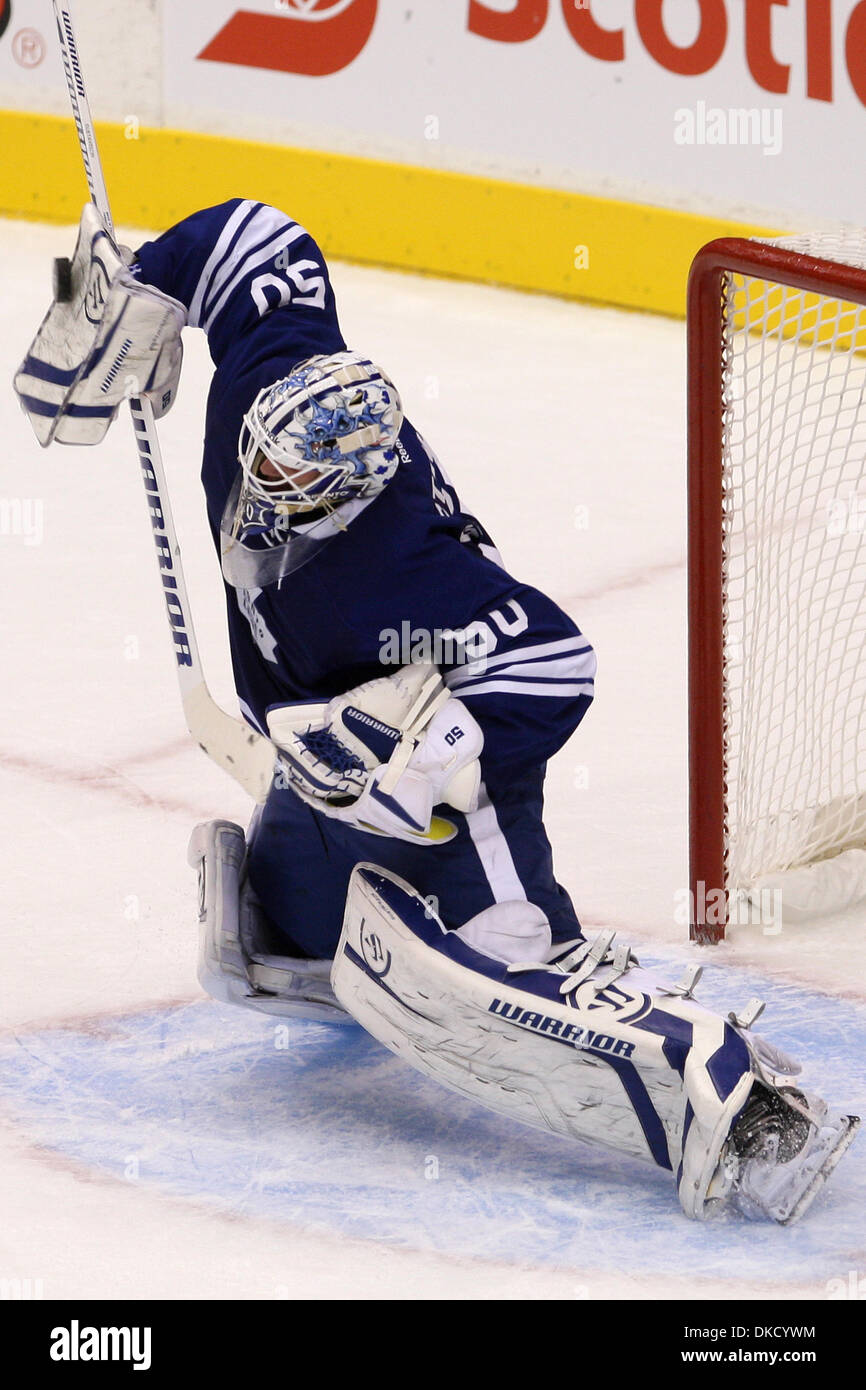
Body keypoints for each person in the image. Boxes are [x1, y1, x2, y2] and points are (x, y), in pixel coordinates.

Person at [15, 198, 858, 1225]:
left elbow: (555, 661)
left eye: (288, 478)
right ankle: (328, 887)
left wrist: (417, 756)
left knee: (496, 918)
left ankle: (686, 1059)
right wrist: (143, 281)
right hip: (317, 728)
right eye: (262, 459)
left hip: (438, 747)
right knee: (294, 898)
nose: (258, 482)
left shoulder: (396, 567)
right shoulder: (265, 388)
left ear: (344, 491)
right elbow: (254, 236)